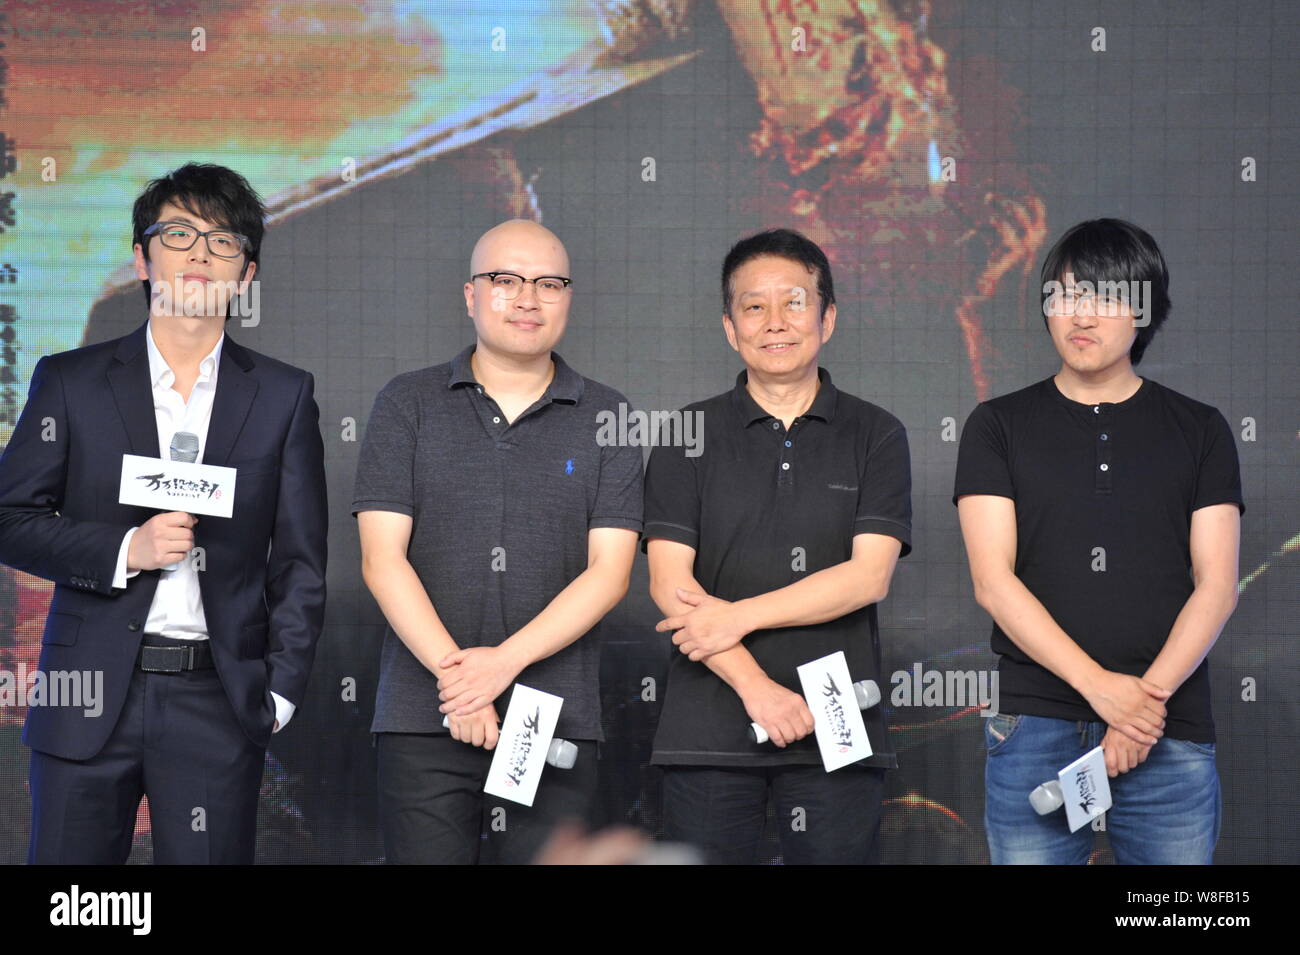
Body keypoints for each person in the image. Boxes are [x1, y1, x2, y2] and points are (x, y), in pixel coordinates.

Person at [0, 162, 328, 863]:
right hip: (85, 694)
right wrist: (126, 550)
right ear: (141, 258)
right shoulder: (71, 382)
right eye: (179, 233)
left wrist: (282, 692)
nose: (201, 253)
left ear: (246, 276)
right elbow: (10, 517)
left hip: (218, 697)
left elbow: (300, 562)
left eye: (223, 240)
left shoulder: (282, 397)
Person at [353, 219, 642, 864]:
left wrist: (499, 666)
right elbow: (381, 559)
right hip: (422, 715)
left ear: (569, 298)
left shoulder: (609, 417)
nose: (528, 298)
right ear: (470, 294)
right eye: (505, 280)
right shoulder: (408, 403)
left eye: (548, 283)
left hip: (553, 723)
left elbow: (610, 573)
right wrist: (461, 683)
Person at [954, 218, 1242, 864]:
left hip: (1167, 729)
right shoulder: (996, 426)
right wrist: (1102, 689)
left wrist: (1143, 705)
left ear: (1145, 310)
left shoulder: (1200, 430)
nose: (1080, 314)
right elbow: (992, 581)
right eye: (1064, 295)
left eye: (1106, 296)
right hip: (1036, 724)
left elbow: (1217, 585)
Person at [643, 228, 911, 864]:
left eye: (794, 302)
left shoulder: (876, 433)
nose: (775, 322)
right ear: (731, 328)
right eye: (753, 306)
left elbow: (867, 577)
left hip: (838, 725)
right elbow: (669, 586)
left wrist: (736, 615)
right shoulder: (686, 433)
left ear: (828, 318)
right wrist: (758, 689)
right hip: (707, 730)